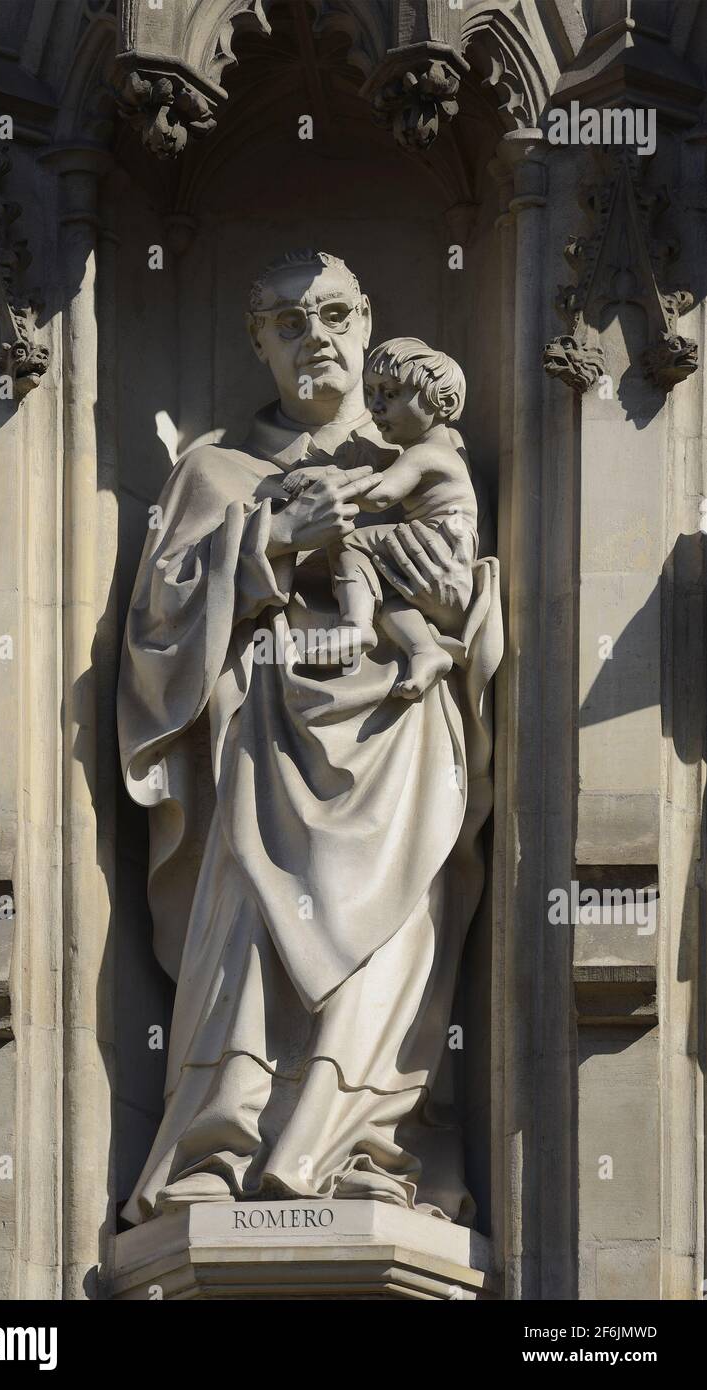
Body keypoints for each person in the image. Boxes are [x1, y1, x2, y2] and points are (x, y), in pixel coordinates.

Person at [117, 250, 502, 1225]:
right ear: (257, 342)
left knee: (393, 933)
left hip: (400, 744)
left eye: (332, 314)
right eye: (287, 322)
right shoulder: (216, 472)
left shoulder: (426, 463)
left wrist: (453, 597)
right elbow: (158, 641)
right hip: (261, 749)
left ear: (367, 323)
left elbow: (470, 604)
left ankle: (373, 1147)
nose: (314, 337)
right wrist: (270, 538)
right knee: (249, 920)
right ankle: (221, 1144)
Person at [280, 336, 478, 698]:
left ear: (441, 403)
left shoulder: (426, 454)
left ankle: (355, 625)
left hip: (435, 543)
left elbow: (382, 494)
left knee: (347, 541)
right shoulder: (446, 448)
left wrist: (326, 476)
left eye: (390, 394)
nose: (375, 406)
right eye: (371, 393)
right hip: (435, 547)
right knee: (389, 594)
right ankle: (424, 649)